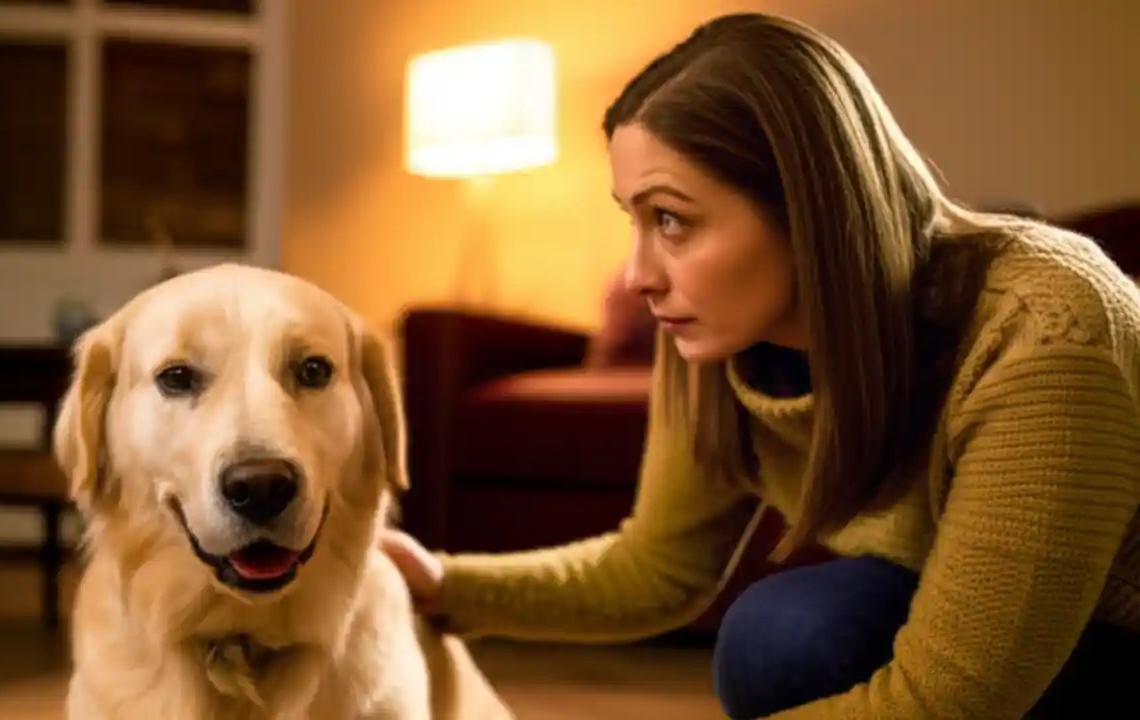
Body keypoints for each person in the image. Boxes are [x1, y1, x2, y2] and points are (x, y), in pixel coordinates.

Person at [381, 12, 1140, 719]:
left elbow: (948, 700)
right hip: (988, 623)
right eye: (635, 219)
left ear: (807, 206)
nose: (638, 274)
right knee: (786, 634)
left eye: (671, 219)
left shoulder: (1046, 329)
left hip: (1116, 634)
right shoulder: (714, 329)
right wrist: (443, 585)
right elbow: (658, 569)